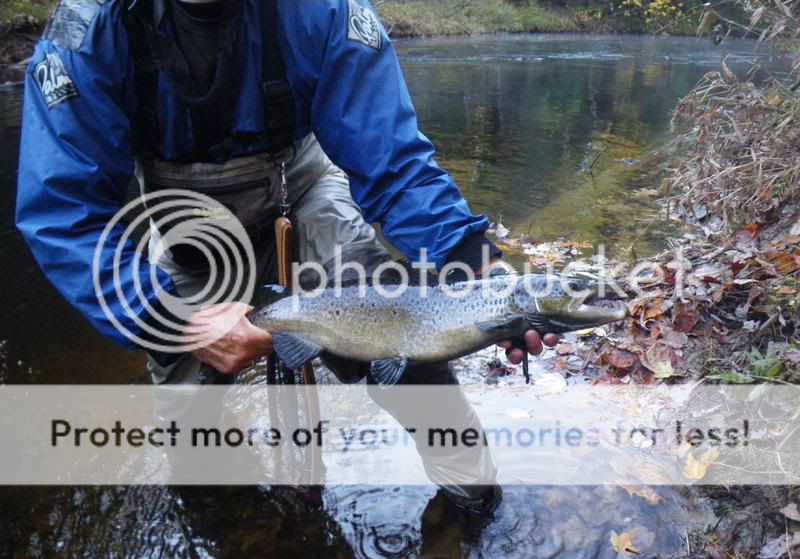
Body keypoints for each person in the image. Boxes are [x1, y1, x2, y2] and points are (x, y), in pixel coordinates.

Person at [15, 0, 557, 502]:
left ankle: (474, 499)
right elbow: (65, 211)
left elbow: (393, 161)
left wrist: (480, 267)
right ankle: (233, 529)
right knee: (189, 425)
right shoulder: (86, 33)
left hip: (302, 185)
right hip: (184, 215)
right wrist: (172, 320)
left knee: (406, 338)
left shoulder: (322, 10)